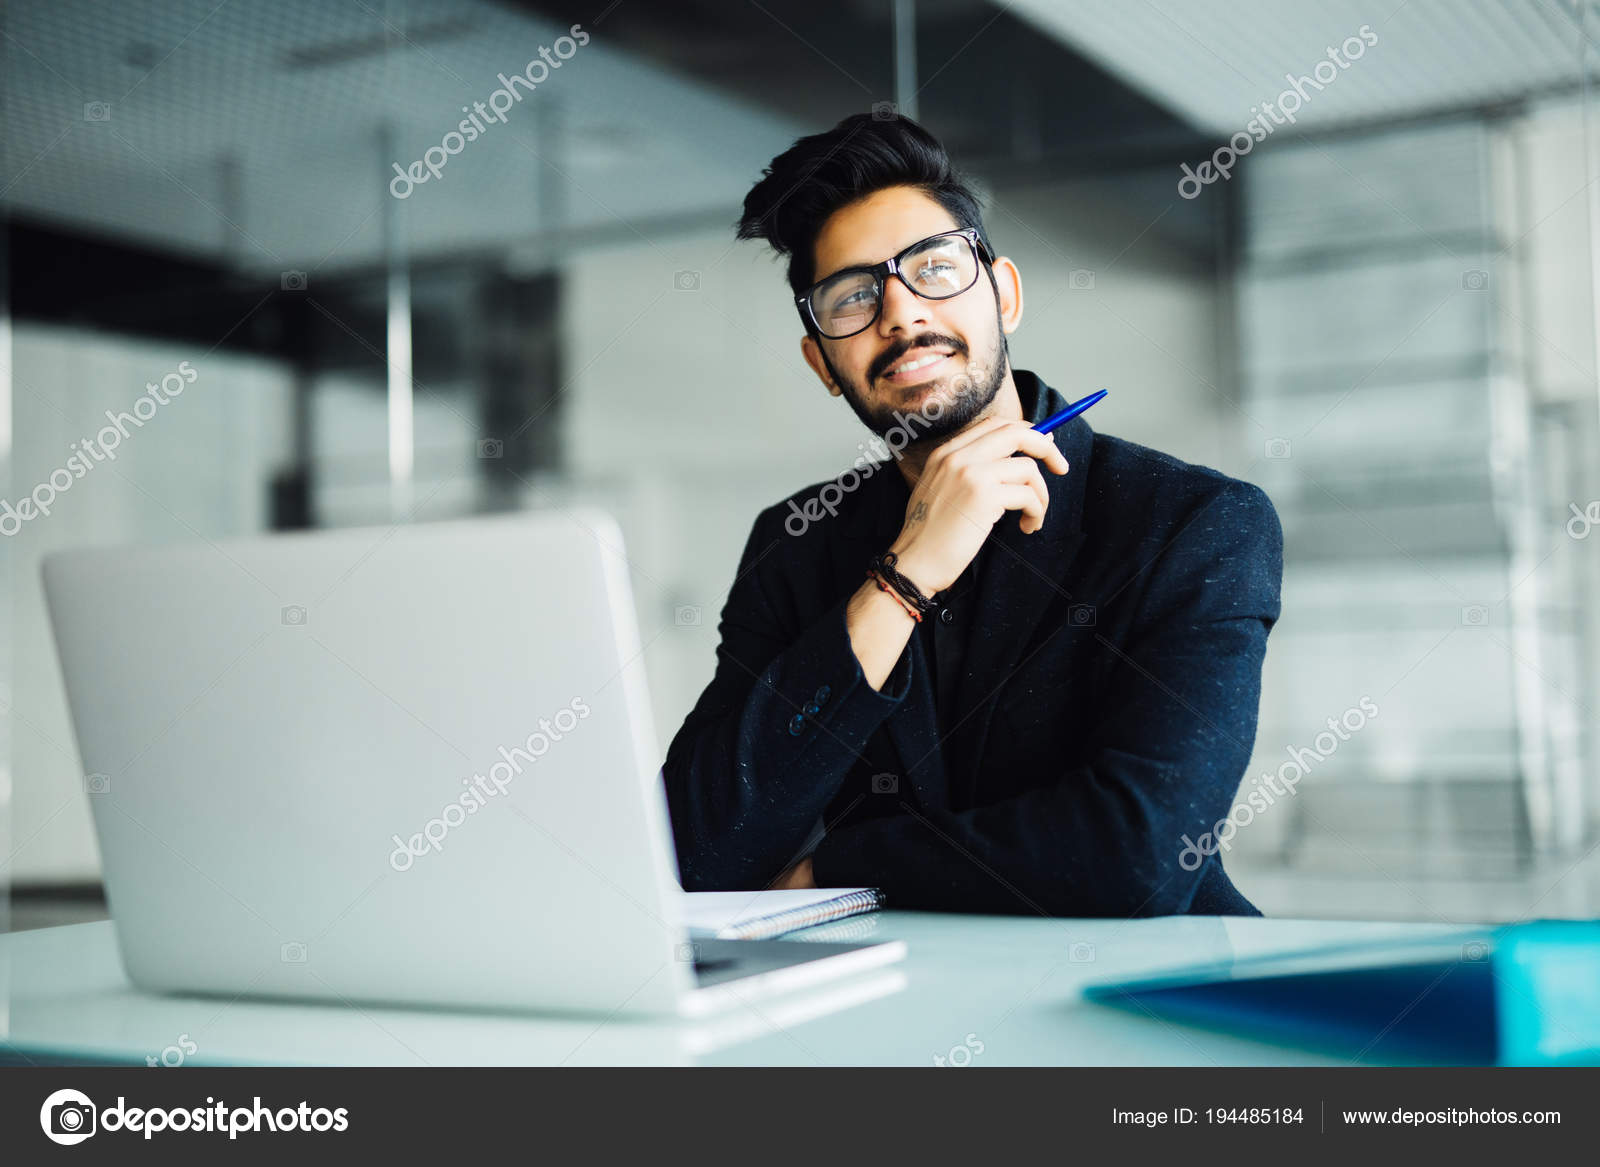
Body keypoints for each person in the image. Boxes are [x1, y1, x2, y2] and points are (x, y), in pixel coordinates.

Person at [660, 112, 1281, 917]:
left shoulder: (1193, 521)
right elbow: (702, 845)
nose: (901, 313)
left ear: (1006, 294)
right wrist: (902, 577)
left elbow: (1141, 851)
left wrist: (840, 869)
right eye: (852, 295)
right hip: (893, 1018)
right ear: (822, 361)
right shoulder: (795, 543)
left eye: (934, 267)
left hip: (1138, 1014)